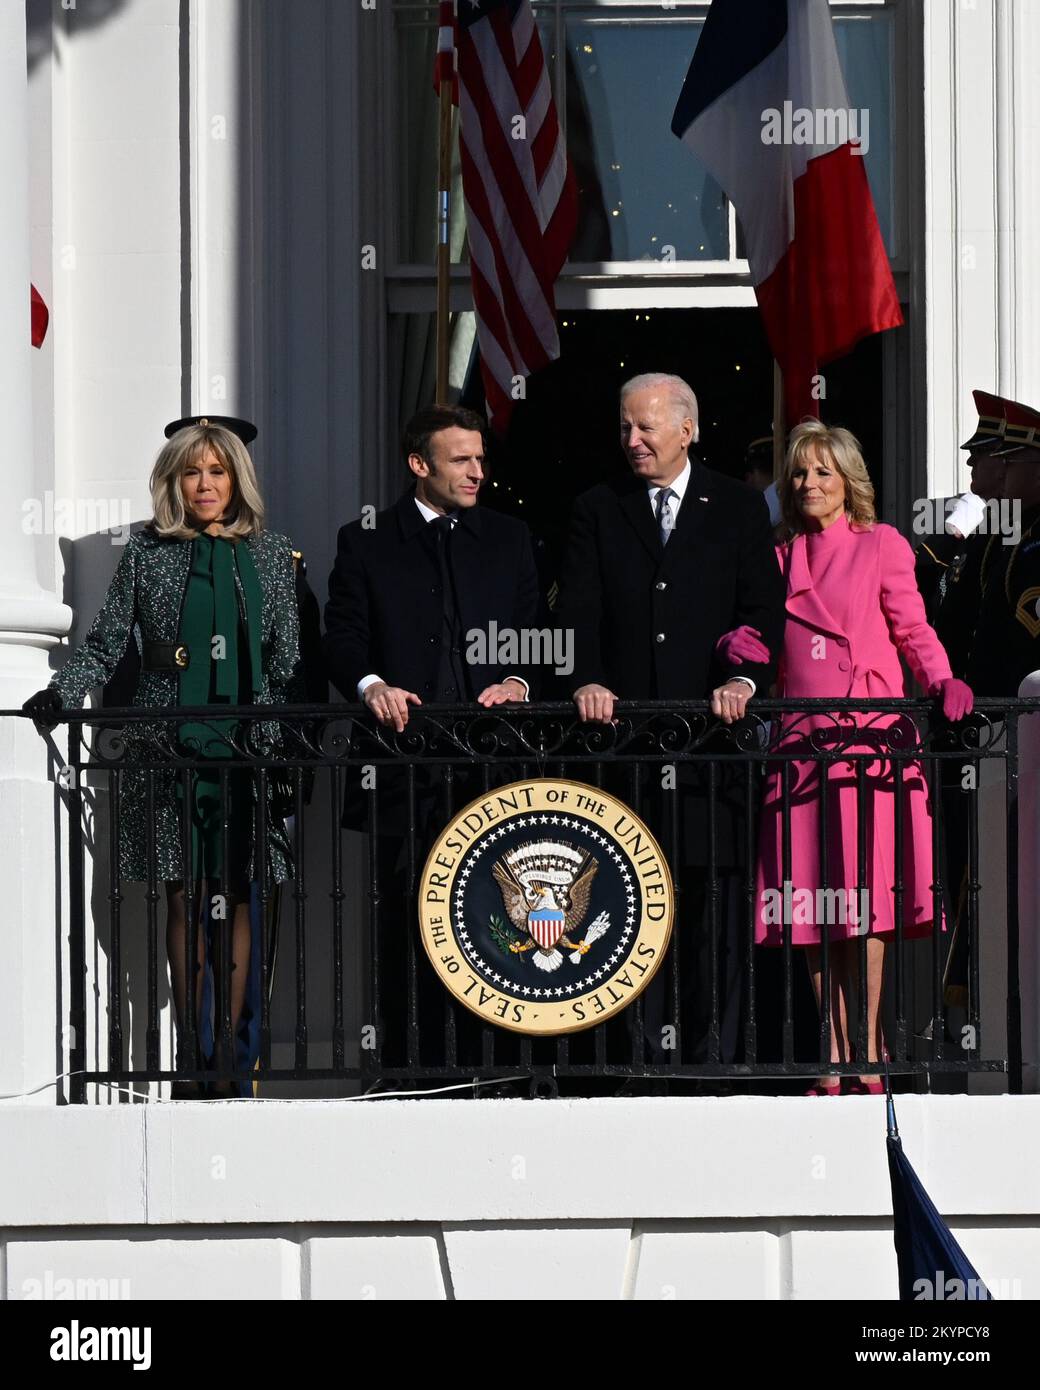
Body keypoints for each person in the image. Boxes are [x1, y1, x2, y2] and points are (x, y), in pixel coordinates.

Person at [23, 416, 301, 1097]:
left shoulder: (271, 554)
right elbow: (106, 640)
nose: (204, 484)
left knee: (235, 896)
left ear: (237, 479)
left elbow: (288, 657)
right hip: (166, 748)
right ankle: (194, 1055)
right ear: (172, 481)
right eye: (191, 472)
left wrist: (266, 717)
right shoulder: (146, 553)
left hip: (246, 751)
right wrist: (61, 689)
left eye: (216, 471)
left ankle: (229, 1062)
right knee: (188, 899)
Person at [554, 372, 787, 1074]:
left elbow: (761, 611)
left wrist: (746, 679)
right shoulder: (598, 507)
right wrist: (585, 676)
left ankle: (716, 1066)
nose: (632, 440)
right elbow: (576, 611)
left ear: (687, 429)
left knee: (715, 910)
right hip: (626, 749)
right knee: (630, 911)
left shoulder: (740, 508)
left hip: (715, 747)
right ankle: (636, 1068)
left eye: (646, 426)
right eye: (624, 427)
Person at [738, 420, 972, 1095]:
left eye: (823, 473)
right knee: (810, 900)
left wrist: (940, 679)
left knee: (866, 902)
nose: (809, 484)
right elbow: (756, 633)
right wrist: (739, 653)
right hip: (801, 746)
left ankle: (866, 1046)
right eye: (800, 474)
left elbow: (911, 626)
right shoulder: (777, 558)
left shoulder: (882, 545)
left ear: (848, 482)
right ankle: (833, 1051)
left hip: (870, 745)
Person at [322, 402, 541, 1069]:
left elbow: (538, 630)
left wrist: (518, 680)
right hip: (404, 765)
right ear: (419, 465)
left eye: (481, 459)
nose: (478, 472)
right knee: (408, 919)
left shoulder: (509, 537)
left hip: (492, 767)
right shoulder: (367, 539)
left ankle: (497, 1068)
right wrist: (371, 686)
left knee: (498, 920)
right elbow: (342, 637)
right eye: (461, 460)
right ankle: (410, 1070)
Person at [967, 399, 1040, 696]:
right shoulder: (1009, 533)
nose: (1002, 469)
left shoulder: (1031, 542)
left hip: (1016, 716)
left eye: (1010, 461)